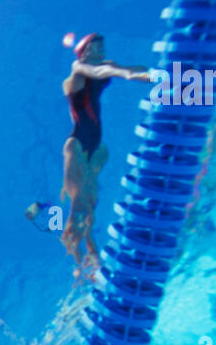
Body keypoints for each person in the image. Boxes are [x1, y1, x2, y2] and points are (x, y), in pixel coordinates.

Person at [58, 34, 157, 278]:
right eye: (97, 45)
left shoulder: (105, 65)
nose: (102, 48)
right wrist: (130, 74)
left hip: (95, 148)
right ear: (85, 50)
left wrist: (152, 75)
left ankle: (96, 267)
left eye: (102, 44)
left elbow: (124, 70)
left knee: (89, 209)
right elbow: (105, 72)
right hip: (77, 144)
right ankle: (80, 268)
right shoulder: (78, 67)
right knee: (78, 208)